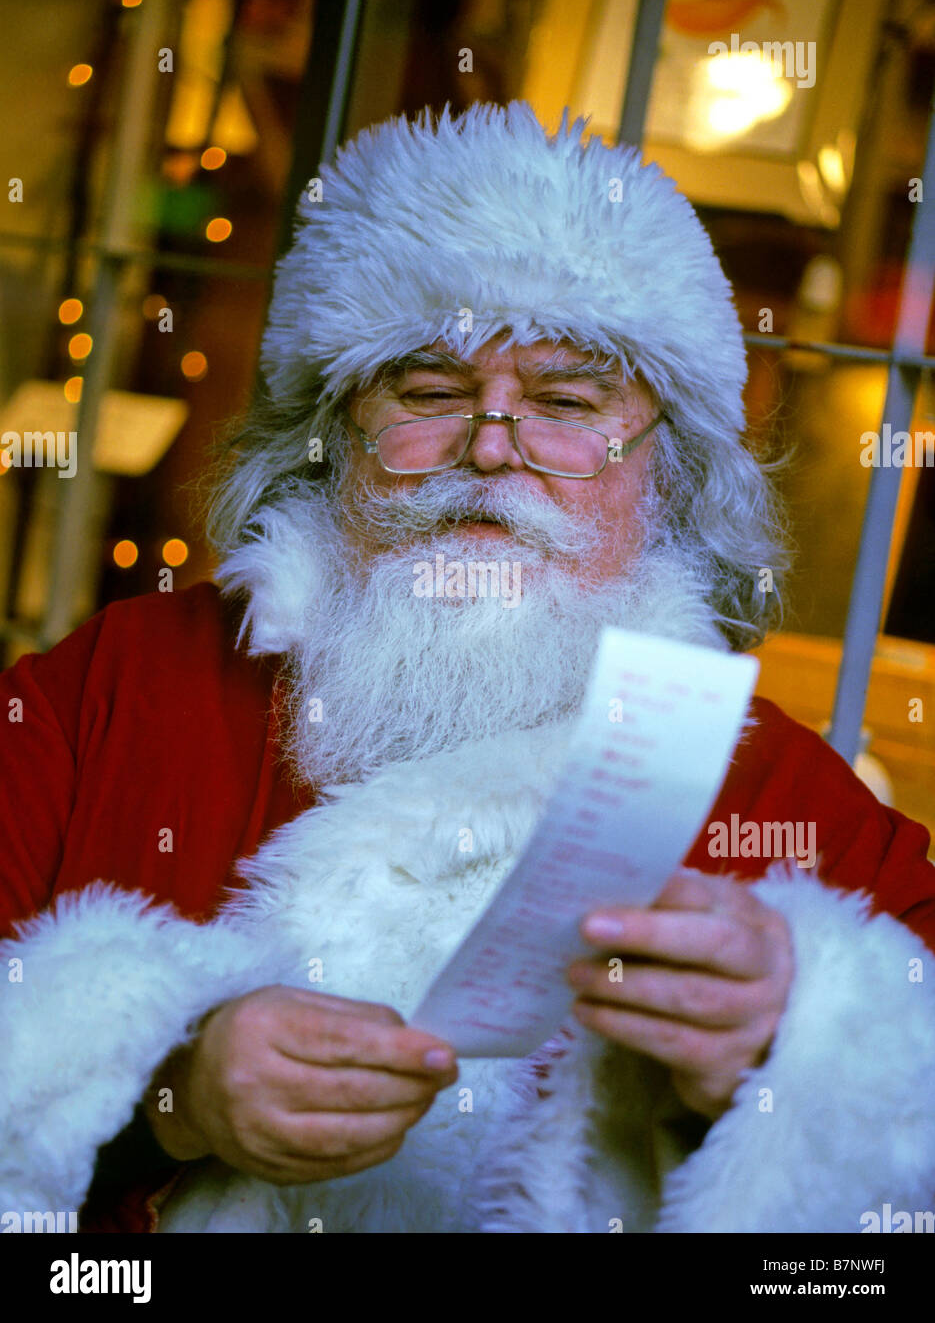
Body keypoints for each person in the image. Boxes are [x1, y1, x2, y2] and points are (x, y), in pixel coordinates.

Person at [2, 102, 934, 1235]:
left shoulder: (784, 799)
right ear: (330, 437)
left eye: (565, 402)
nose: (490, 447)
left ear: (668, 475)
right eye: (427, 392)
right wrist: (170, 1090)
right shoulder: (115, 684)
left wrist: (778, 1055)